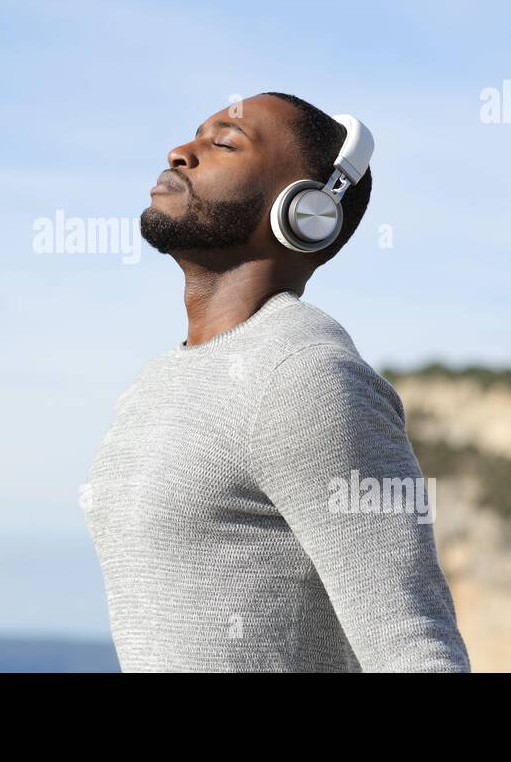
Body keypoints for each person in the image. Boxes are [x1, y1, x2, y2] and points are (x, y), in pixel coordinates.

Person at [84, 92, 470, 672]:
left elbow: (413, 648)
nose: (179, 153)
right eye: (195, 135)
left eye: (224, 143)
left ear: (307, 211)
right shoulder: (153, 383)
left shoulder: (307, 376)